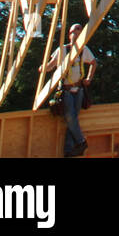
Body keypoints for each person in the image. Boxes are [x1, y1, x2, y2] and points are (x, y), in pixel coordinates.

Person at [47, 22, 97, 159]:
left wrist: (88, 78)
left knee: (73, 119)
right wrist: (43, 68)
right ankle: (81, 142)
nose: (77, 33)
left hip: (79, 89)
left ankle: (69, 151)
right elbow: (51, 65)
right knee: (70, 117)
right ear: (70, 34)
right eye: (75, 31)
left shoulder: (84, 49)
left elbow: (94, 63)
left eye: (80, 31)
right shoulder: (63, 50)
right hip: (66, 90)